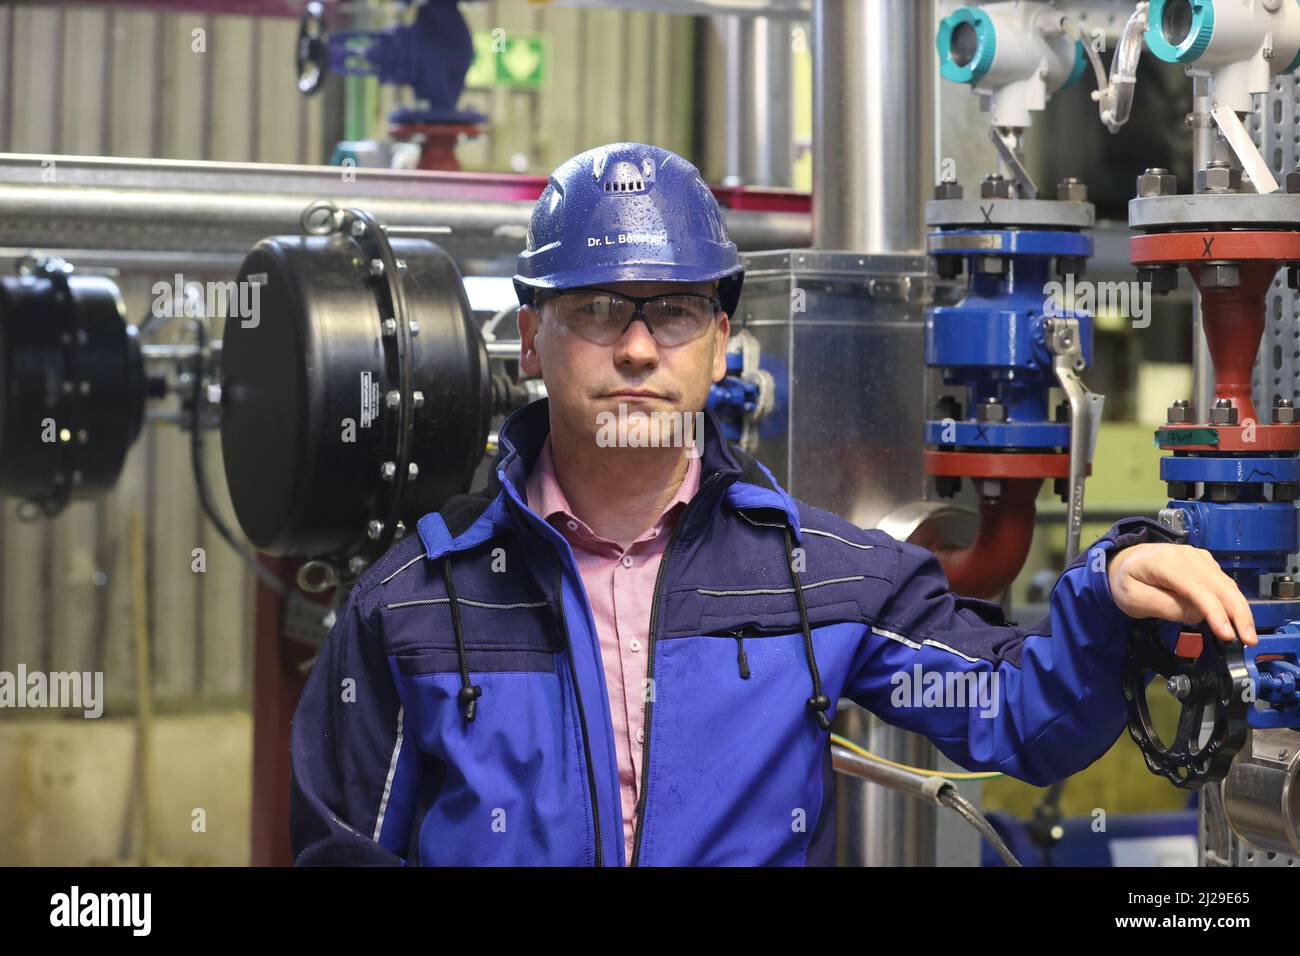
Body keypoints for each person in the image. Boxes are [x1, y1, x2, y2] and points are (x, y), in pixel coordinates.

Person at [289, 142, 1256, 866]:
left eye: (670, 310)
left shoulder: (822, 581)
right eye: (595, 308)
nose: (635, 349)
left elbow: (1014, 711)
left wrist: (1106, 583)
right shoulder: (415, 604)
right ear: (532, 336)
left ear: (719, 342)